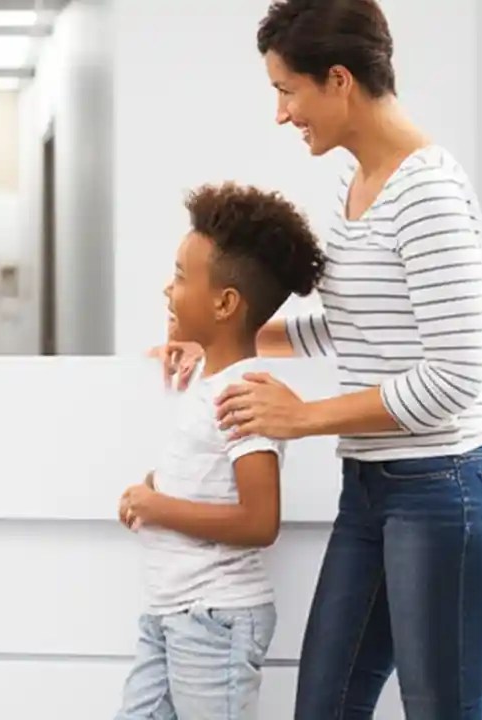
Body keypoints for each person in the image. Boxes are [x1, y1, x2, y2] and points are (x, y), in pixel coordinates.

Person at [155, 2, 482, 718]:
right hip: (373, 490)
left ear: (340, 80)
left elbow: (453, 379)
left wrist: (304, 417)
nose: (283, 114)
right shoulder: (353, 185)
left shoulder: (430, 194)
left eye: (287, 91)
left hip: (446, 491)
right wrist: (228, 336)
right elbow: (350, 323)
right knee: (323, 706)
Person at [115, 182, 326, 719]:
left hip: (214, 618)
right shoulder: (207, 383)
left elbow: (260, 521)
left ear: (225, 303)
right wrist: (151, 489)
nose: (168, 289)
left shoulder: (245, 393)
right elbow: (200, 469)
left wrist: (158, 507)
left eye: (182, 277)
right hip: (170, 611)